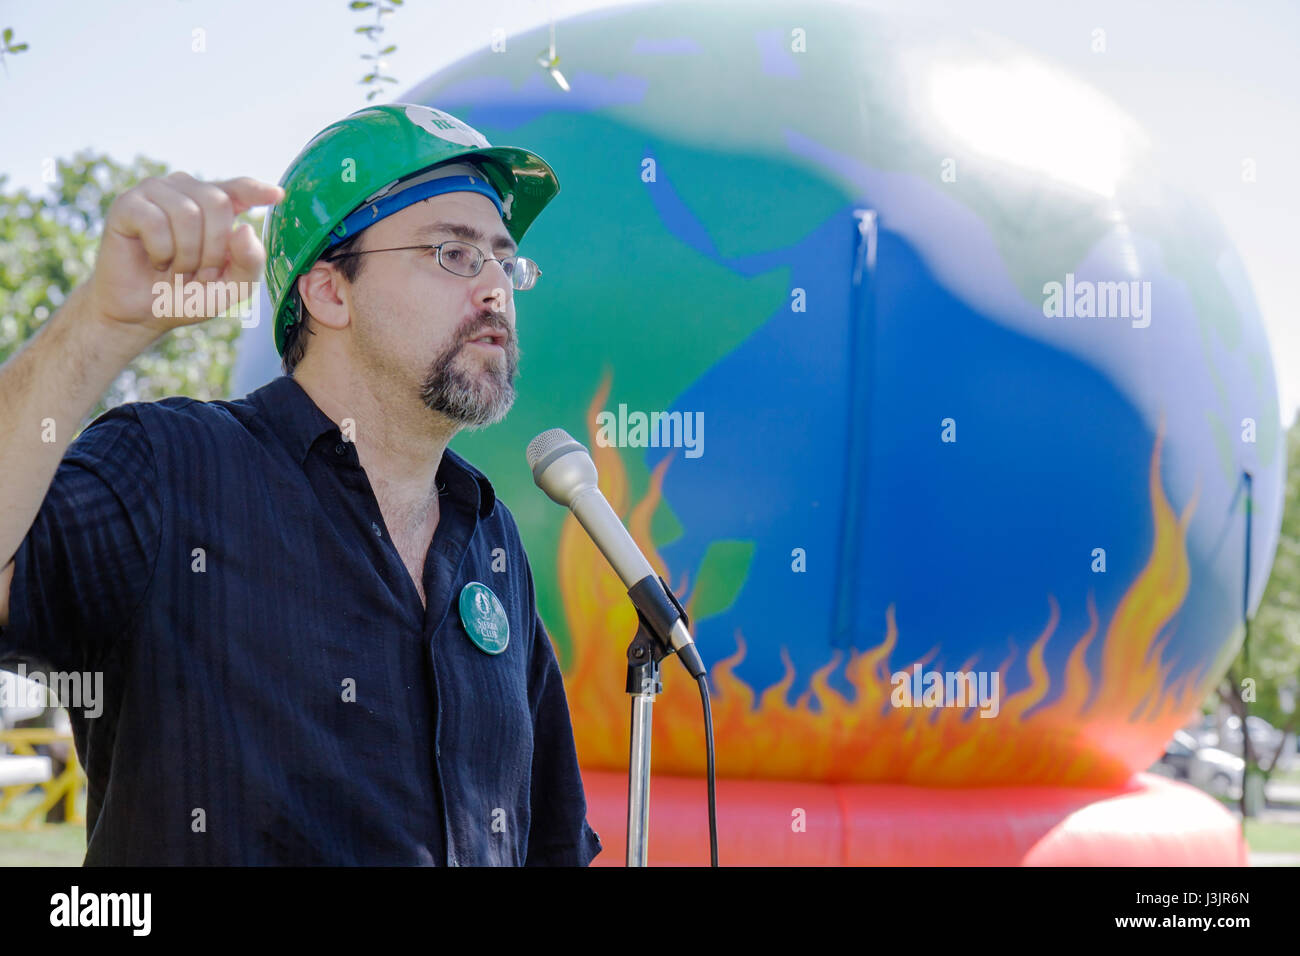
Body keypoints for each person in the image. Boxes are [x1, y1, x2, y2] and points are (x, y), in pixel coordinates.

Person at [0, 103, 602, 866]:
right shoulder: (172, 466)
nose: (496, 291)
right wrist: (100, 323)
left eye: (505, 262)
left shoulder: (490, 535)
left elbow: (546, 840)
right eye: (454, 254)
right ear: (329, 293)